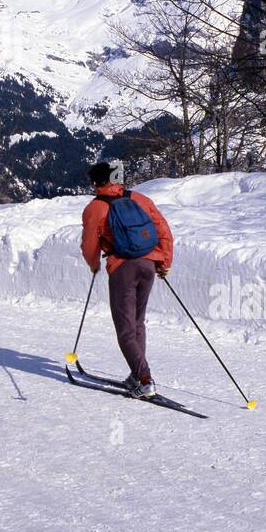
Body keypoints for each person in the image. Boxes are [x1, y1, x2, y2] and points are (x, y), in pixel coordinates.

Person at [80, 162, 174, 399]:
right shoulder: (140, 199)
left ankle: (144, 381)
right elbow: (163, 230)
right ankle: (136, 374)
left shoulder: (95, 208)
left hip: (123, 268)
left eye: (93, 182)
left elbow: (89, 244)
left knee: (125, 329)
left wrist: (94, 265)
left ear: (98, 182)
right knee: (137, 322)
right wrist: (164, 262)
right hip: (148, 265)